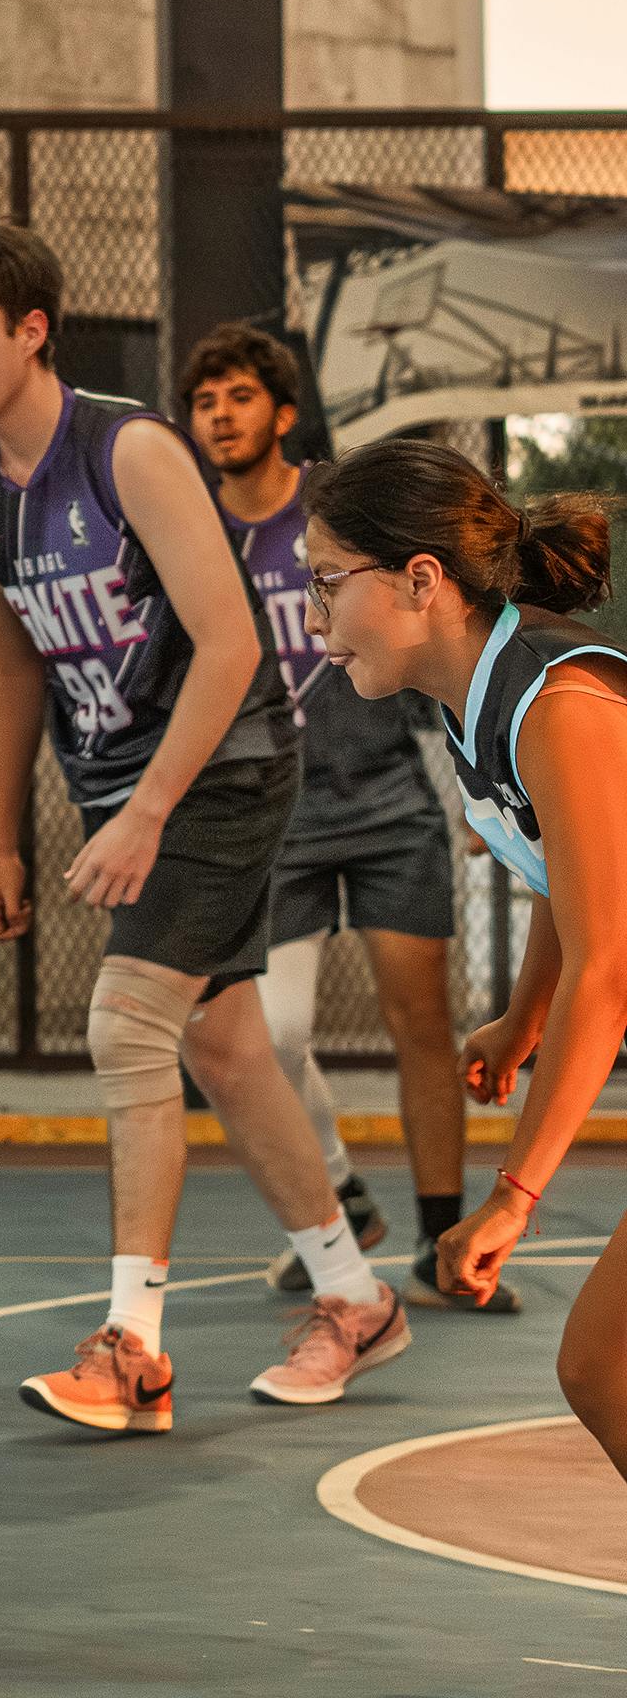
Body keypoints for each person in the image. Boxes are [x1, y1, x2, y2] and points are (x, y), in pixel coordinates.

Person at [0, 209, 412, 1432]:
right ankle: (356, 1298)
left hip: (226, 763)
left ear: (34, 332)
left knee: (128, 1023)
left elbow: (237, 639)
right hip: (119, 782)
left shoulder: (129, 451)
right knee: (230, 1042)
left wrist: (144, 812)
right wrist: (2, 835)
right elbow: (14, 663)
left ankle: (132, 1340)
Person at [304, 442, 627, 1471]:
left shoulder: (560, 703)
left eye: (323, 582)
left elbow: (610, 966)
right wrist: (525, 1013)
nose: (312, 620)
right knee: (605, 1370)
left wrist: (515, 1193)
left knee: (604, 1367)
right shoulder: (470, 699)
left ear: (421, 579)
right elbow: (567, 879)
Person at [178, 324, 509, 1313]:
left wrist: (468, 793)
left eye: (239, 396)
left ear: (281, 415)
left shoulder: (337, 508)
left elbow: (427, 629)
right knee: (266, 1032)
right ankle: (340, 1190)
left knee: (423, 1024)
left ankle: (445, 1237)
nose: (220, 415)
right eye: (203, 401)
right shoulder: (191, 529)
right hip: (271, 813)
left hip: (386, 802)